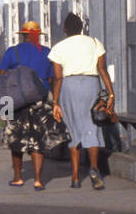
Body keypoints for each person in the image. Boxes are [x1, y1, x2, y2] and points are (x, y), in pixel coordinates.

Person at [48, 12, 115, 190]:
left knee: (72, 130)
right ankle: (94, 169)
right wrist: (111, 94)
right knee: (92, 128)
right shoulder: (94, 43)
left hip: (68, 88)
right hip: (91, 85)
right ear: (81, 28)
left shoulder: (58, 48)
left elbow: (57, 77)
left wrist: (55, 101)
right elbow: (102, 70)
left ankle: (75, 177)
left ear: (65, 29)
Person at [0, 21, 69, 190]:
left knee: (15, 140)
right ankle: (38, 180)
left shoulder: (12, 52)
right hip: (41, 100)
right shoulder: (47, 53)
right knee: (38, 140)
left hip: (16, 101)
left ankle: (18, 177)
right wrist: (55, 103)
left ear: (22, 35)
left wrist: (5, 110)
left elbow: (2, 79)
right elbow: (53, 79)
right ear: (38, 36)